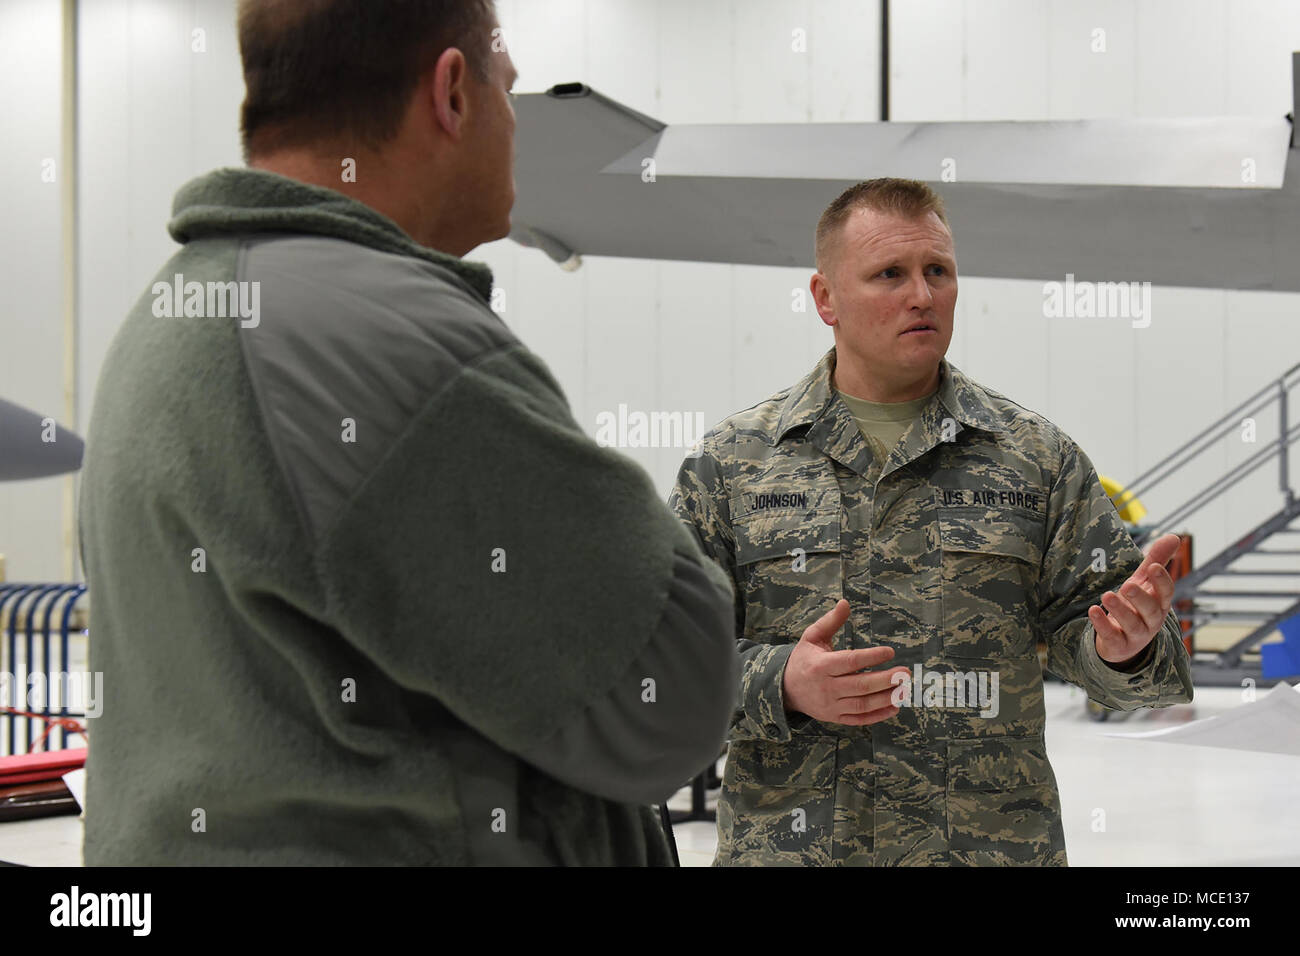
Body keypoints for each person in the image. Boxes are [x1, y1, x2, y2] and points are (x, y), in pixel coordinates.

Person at [78, 0, 738, 865]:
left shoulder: (175, 317)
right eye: (510, 90)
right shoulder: (386, 341)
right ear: (452, 93)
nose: (515, 123)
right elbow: (672, 694)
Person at [669, 177, 1193, 867]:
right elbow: (658, 674)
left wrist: (1124, 649)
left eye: (937, 272)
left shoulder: (1037, 459)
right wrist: (782, 681)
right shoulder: (733, 465)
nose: (922, 295)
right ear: (825, 298)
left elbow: (1118, 664)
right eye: (890, 273)